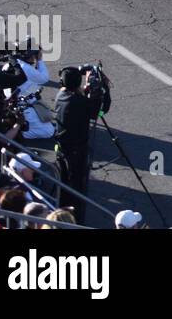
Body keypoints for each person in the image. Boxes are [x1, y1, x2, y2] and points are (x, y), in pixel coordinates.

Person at [54, 65, 102, 224]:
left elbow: (77, 98)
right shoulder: (78, 101)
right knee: (77, 189)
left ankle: (61, 215)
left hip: (63, 149)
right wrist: (95, 91)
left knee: (65, 185)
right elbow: (95, 112)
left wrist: (87, 88)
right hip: (75, 152)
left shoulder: (61, 95)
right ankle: (76, 221)